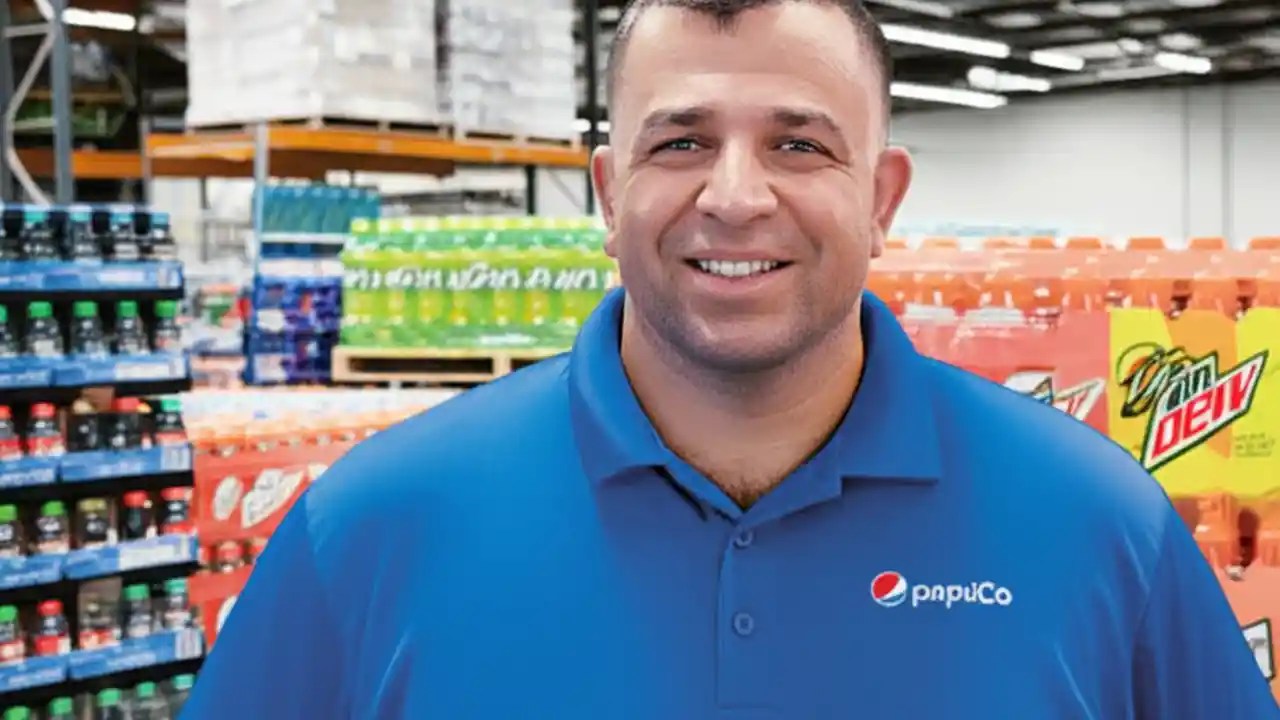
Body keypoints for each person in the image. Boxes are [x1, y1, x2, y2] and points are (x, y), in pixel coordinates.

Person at [183, 0, 1279, 717]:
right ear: (609, 197)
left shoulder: (1094, 523)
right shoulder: (372, 529)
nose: (735, 196)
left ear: (881, 198)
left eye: (798, 144)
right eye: (681, 141)